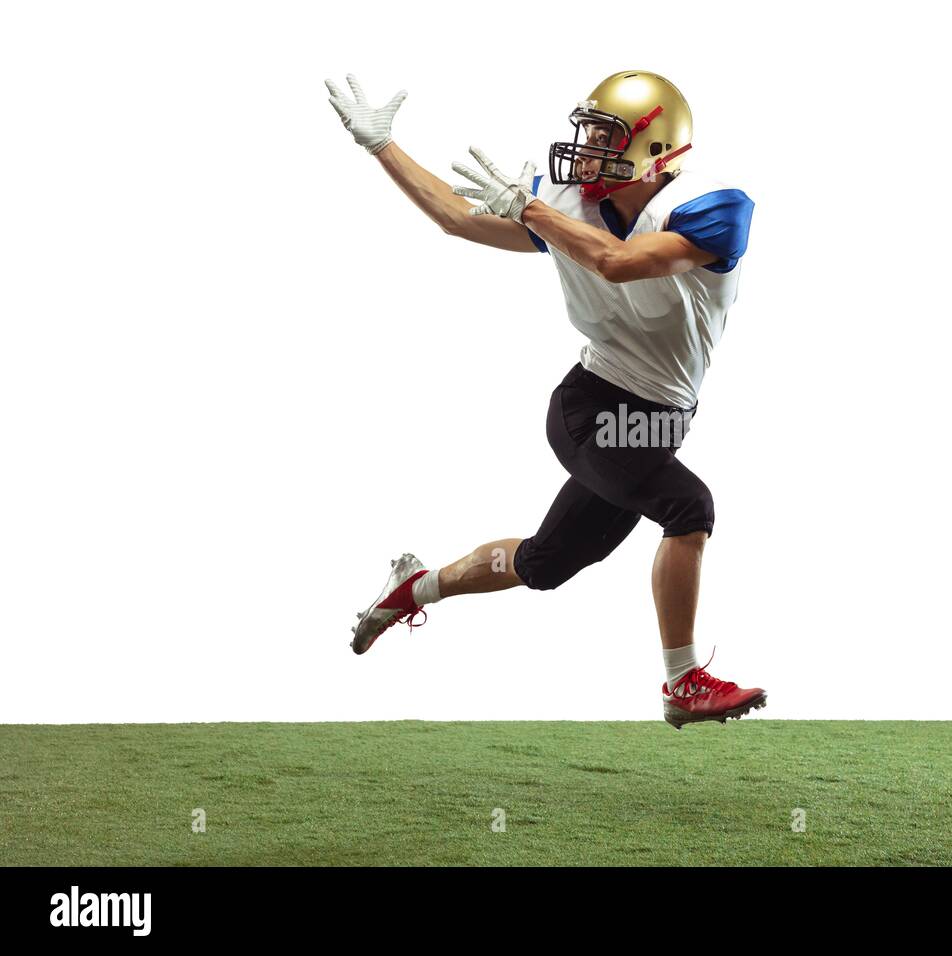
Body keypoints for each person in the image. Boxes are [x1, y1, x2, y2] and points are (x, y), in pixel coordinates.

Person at [325, 70, 763, 729]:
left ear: (656, 150)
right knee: (688, 506)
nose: (584, 147)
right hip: (593, 408)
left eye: (604, 135)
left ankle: (414, 586)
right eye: (585, 131)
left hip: (659, 422)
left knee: (544, 563)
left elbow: (618, 261)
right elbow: (454, 216)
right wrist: (382, 146)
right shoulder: (563, 203)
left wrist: (533, 210)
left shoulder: (712, 209)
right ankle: (683, 683)